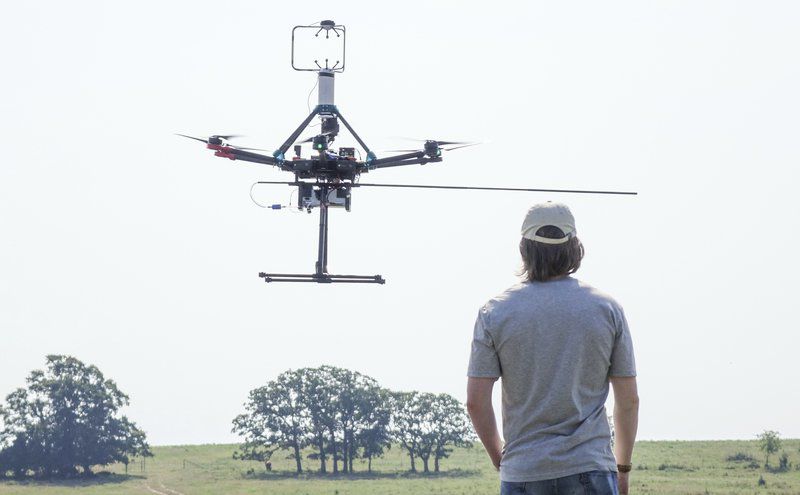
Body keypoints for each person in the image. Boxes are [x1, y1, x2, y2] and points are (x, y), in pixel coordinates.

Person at [466, 202, 639, 495]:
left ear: (524, 249)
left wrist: (502, 459)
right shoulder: (607, 309)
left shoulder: (494, 313)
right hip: (591, 469)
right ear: (575, 248)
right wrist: (621, 469)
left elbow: (475, 403)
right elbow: (628, 401)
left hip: (523, 471)